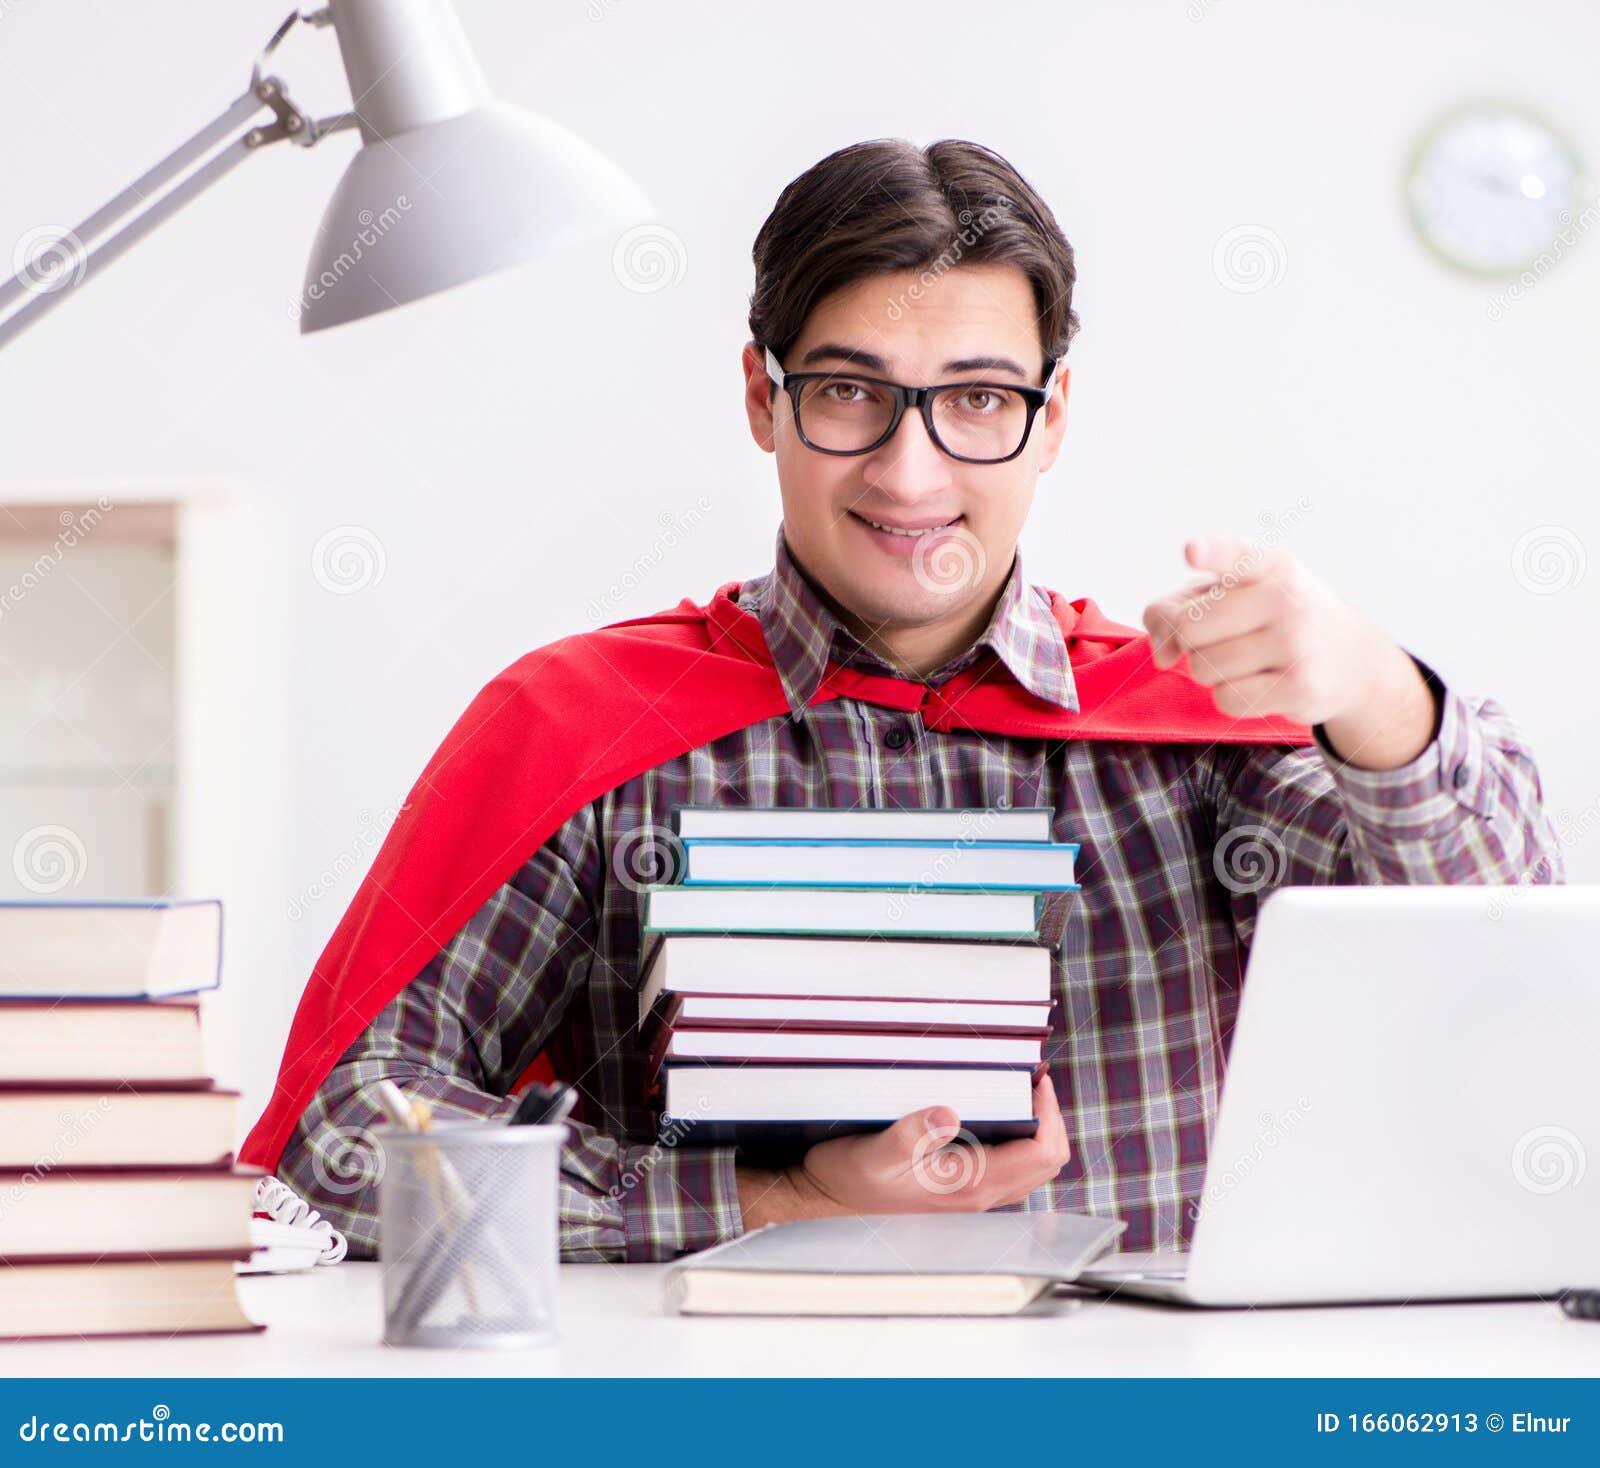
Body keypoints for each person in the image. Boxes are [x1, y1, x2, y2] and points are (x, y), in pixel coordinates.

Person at [242, 137, 1563, 1262]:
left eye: (977, 400)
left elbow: (1509, 971)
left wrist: (1377, 690)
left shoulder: (1205, 733)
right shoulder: (587, 727)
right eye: (848, 392)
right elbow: (345, 1136)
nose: (910, 471)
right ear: (762, 398)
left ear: (1052, 417)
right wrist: (771, 1199)